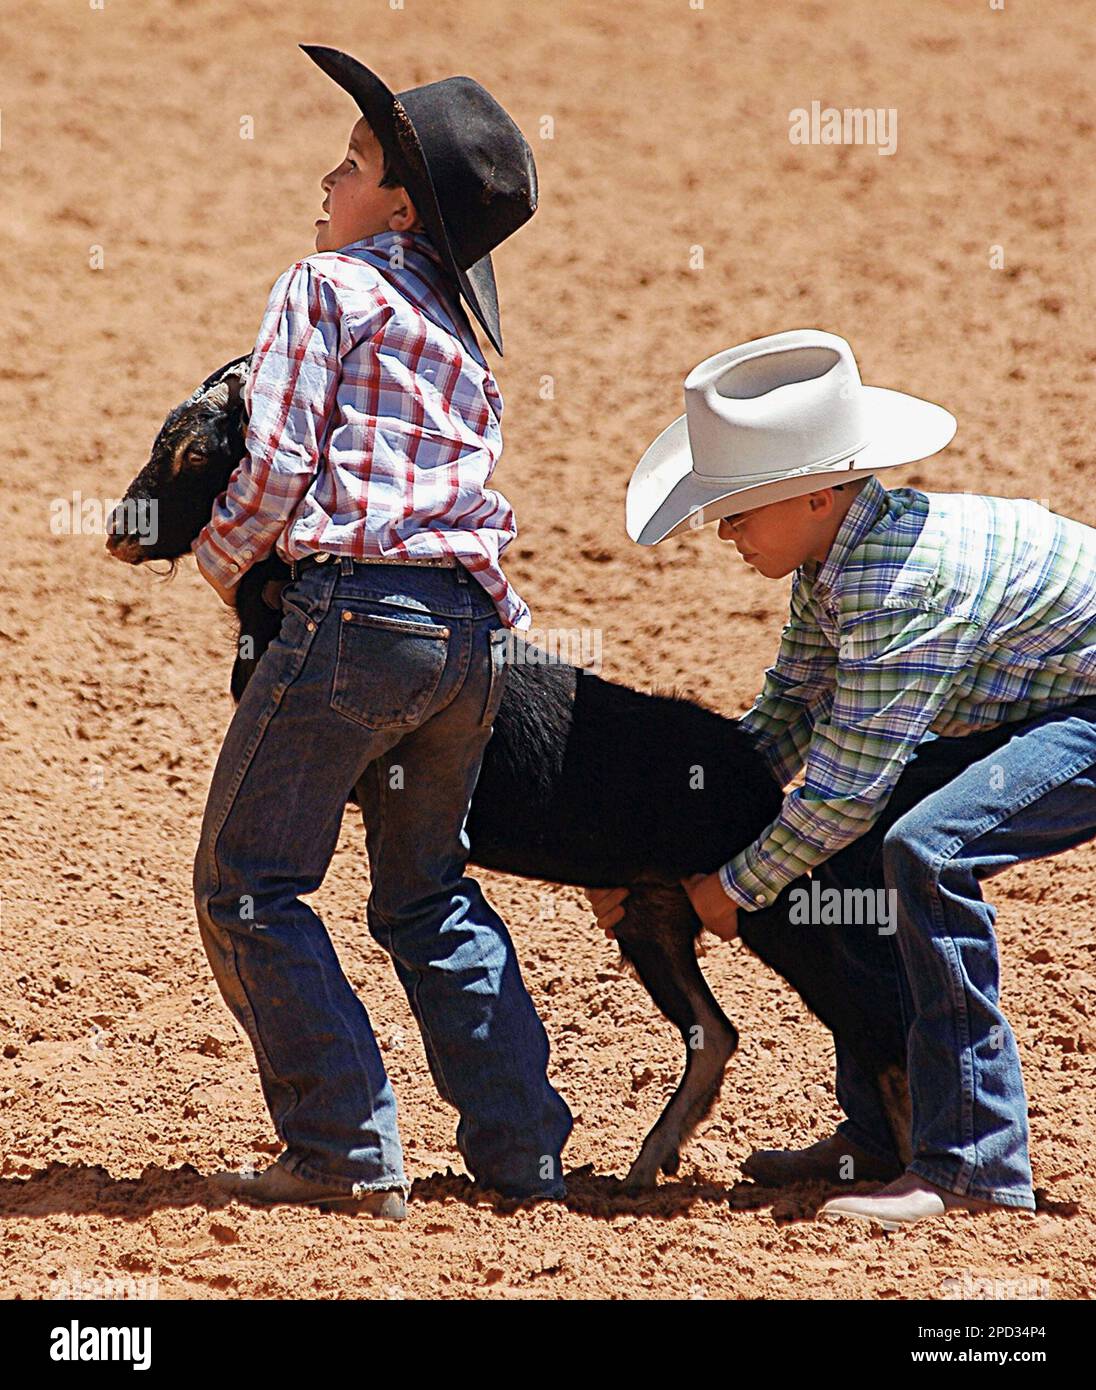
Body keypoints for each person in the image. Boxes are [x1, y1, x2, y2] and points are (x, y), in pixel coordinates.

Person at [588, 328, 1096, 1227]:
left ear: (818, 496)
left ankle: (976, 1165)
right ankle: (884, 1130)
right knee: (864, 852)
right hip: (1047, 697)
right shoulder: (833, 564)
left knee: (926, 852)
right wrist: (676, 831)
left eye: (738, 511)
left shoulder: (895, 587)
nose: (724, 532)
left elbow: (843, 790)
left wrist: (730, 888)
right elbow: (784, 719)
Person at [191, 45, 572, 1219]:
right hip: (469, 636)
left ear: (397, 205)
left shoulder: (328, 288)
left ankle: (344, 1149)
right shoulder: (461, 330)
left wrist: (221, 562)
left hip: (358, 615)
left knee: (247, 882)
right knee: (425, 893)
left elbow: (281, 464)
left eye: (352, 162)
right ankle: (522, 1149)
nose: (327, 175)